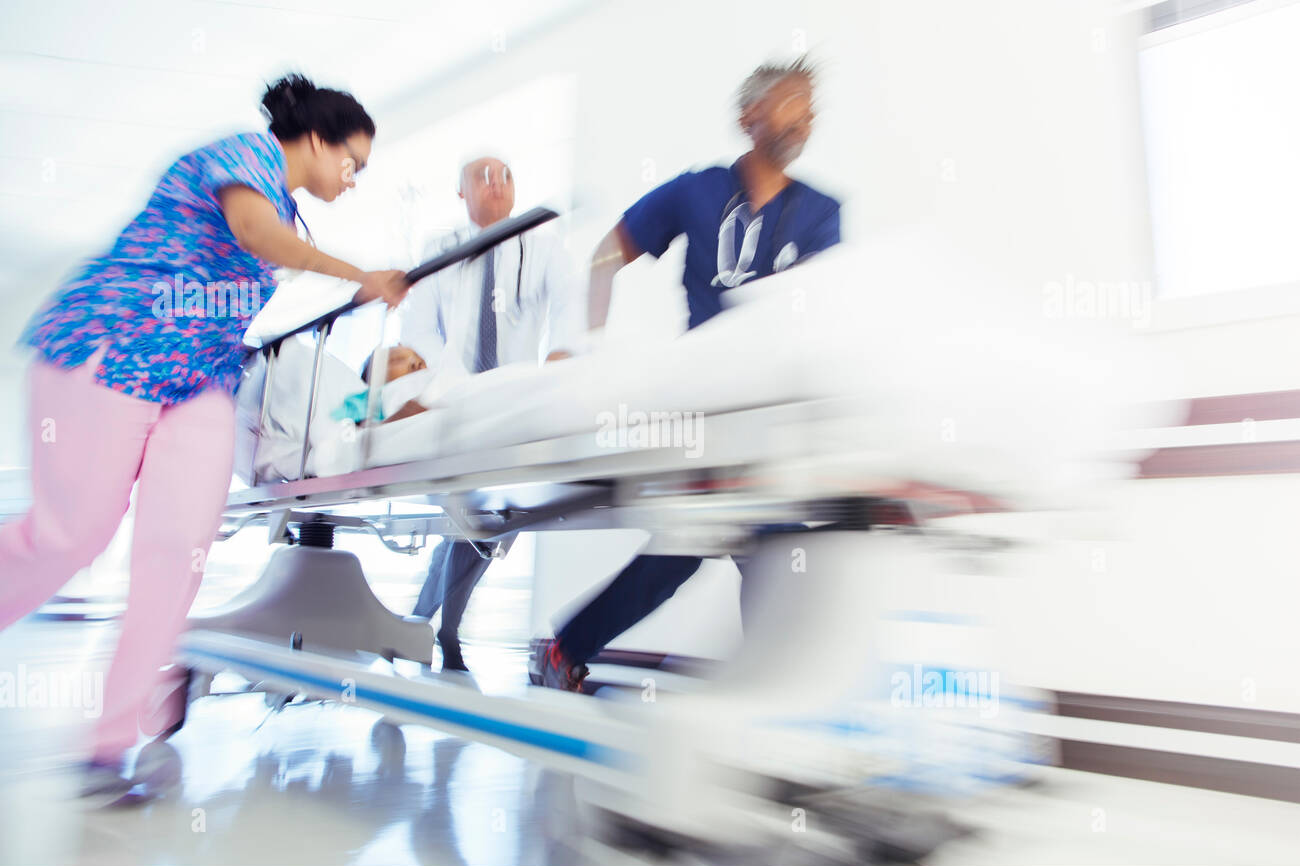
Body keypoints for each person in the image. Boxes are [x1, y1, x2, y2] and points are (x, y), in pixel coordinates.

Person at [0, 73, 410, 799]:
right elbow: (253, 233)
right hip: (109, 346)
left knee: (177, 554)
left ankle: (106, 747)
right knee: (76, 534)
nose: (354, 179)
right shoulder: (245, 156)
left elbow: (257, 260)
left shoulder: (292, 215)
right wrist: (360, 276)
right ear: (315, 140)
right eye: (353, 161)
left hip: (196, 381)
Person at [537, 56, 841, 691]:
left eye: (810, 111)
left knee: (730, 548)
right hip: (705, 407)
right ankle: (770, 692)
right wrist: (584, 349)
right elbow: (602, 258)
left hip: (772, 412)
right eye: (791, 104)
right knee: (742, 545)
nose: (804, 121)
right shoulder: (695, 191)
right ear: (748, 116)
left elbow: (824, 317)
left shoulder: (821, 213)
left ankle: (568, 649)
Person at [399, 154, 584, 672]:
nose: (496, 184)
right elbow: (418, 329)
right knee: (470, 518)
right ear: (461, 192)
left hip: (512, 401)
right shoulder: (438, 251)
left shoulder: (542, 244)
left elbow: (569, 303)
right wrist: (442, 384)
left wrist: (563, 353)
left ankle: (420, 625)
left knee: (494, 521)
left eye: (507, 175)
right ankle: (441, 631)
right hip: (453, 401)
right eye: (482, 176)